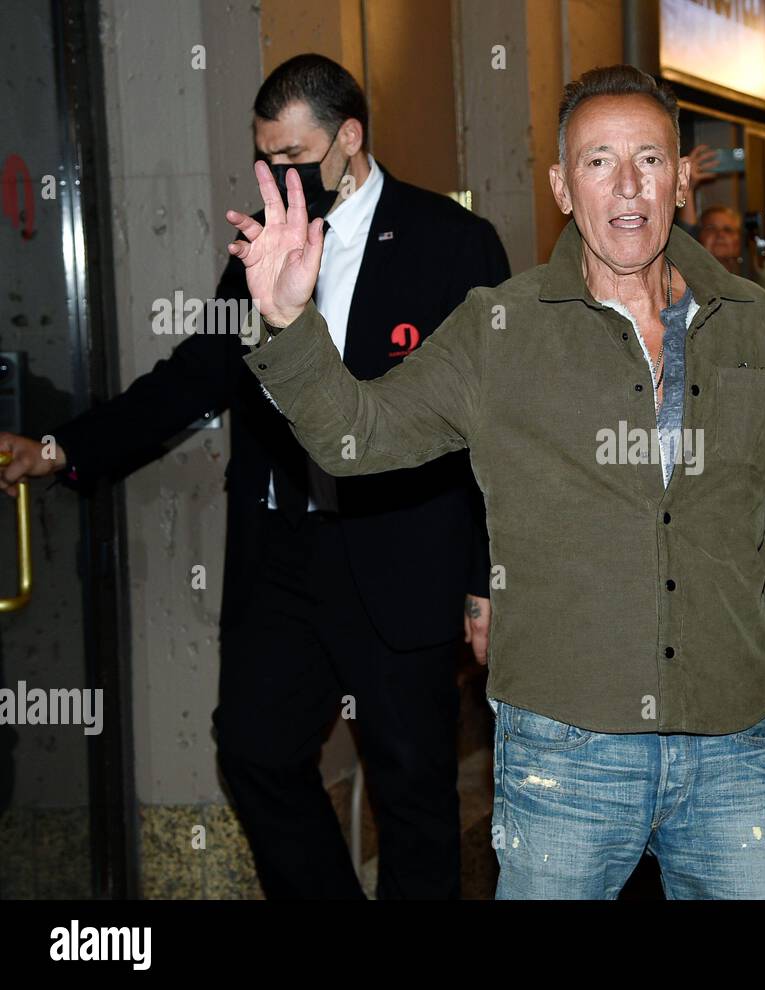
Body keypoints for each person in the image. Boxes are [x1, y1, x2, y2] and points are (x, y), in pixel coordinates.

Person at [230, 64, 765, 898]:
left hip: (730, 748)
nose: (627, 186)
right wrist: (288, 322)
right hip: (565, 758)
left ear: (681, 182)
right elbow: (355, 437)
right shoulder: (500, 328)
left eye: (650, 160)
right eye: (599, 162)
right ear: (563, 186)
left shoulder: (757, 331)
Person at [0, 54, 511, 898]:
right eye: (264, 161)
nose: (279, 179)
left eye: (295, 159)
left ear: (350, 138)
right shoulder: (261, 249)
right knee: (253, 750)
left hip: (400, 551)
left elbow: (495, 423)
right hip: (282, 552)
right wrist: (59, 449)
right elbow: (196, 374)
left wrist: (486, 576)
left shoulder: (451, 243)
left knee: (413, 793)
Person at [695, 204, 744, 275]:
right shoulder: (684, 281)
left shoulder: (751, 282)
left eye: (727, 230)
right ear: (699, 238)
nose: (720, 234)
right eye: (711, 228)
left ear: (738, 243)